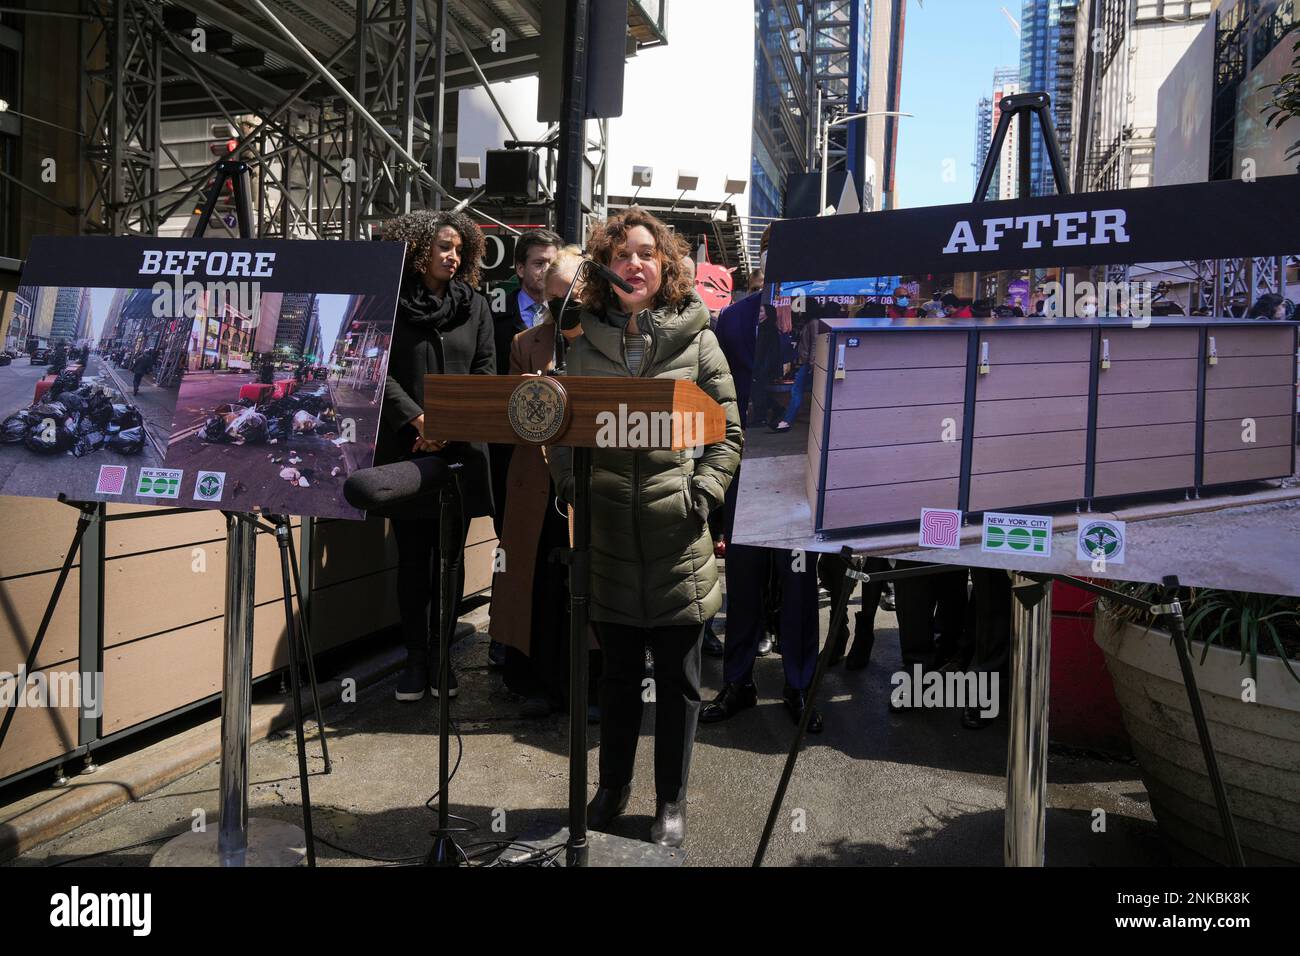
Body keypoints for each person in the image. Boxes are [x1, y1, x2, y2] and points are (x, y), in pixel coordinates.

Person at [548, 207, 742, 848]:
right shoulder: (582, 343)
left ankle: (670, 802)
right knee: (617, 677)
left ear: (667, 267)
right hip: (605, 539)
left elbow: (728, 431)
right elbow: (558, 430)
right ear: (607, 267)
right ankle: (612, 789)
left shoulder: (699, 340)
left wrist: (703, 493)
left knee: (682, 682)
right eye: (624, 253)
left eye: (647, 253)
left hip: (676, 540)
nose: (636, 262)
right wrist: (574, 488)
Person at [378, 209, 496, 702]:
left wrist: (448, 424)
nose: (452, 256)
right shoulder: (390, 301)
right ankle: (415, 660)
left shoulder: (475, 306)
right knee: (413, 559)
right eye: (443, 246)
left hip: (462, 452)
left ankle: (442, 656)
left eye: (458, 248)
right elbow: (377, 368)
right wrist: (418, 420)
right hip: (405, 450)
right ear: (417, 248)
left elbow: (487, 371)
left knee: (449, 560)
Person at [489, 245, 588, 718]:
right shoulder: (526, 343)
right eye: (553, 297)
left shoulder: (610, 342)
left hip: (588, 487)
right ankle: (538, 680)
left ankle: (586, 683)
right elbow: (509, 416)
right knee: (536, 582)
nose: (560, 304)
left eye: (568, 294)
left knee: (585, 583)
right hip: (536, 482)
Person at [486, 229, 563, 668]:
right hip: (510, 456)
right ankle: (507, 634)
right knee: (509, 548)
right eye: (538, 263)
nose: (545, 271)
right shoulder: (499, 321)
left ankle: (542, 643)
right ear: (519, 269)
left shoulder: (576, 324)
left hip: (557, 462)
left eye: (553, 264)